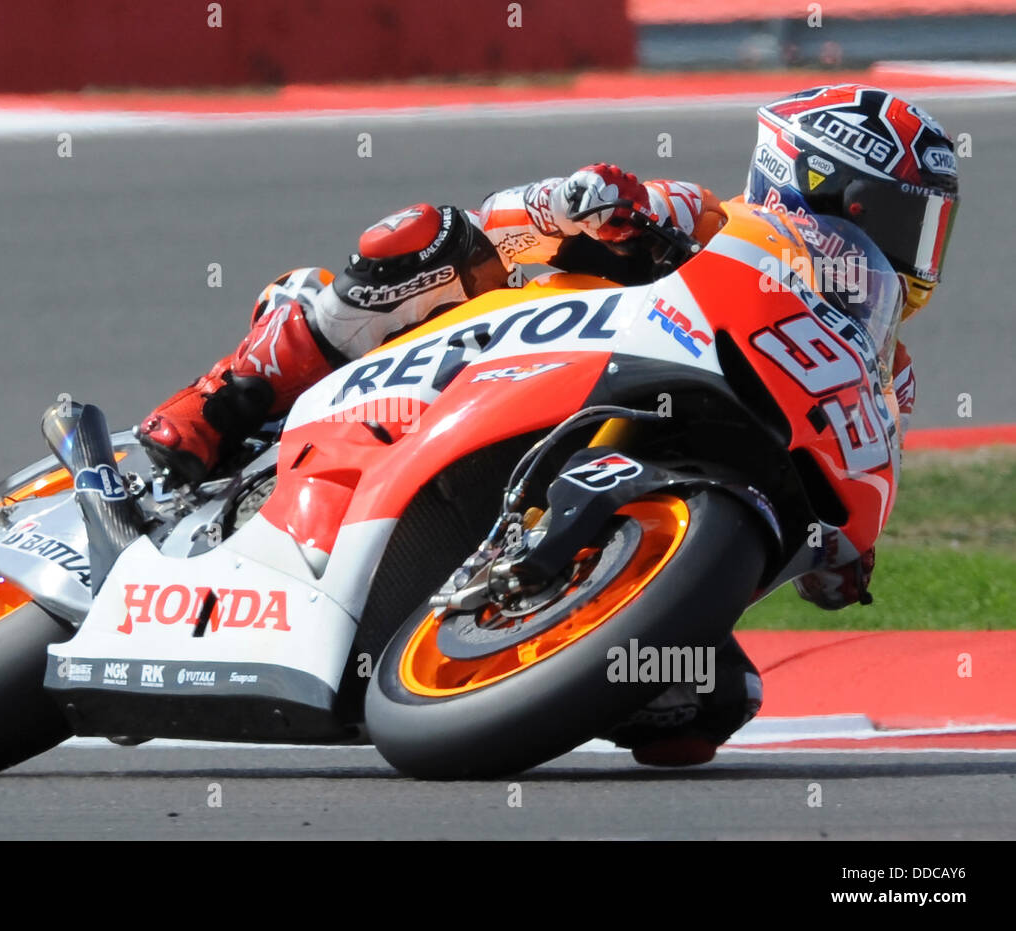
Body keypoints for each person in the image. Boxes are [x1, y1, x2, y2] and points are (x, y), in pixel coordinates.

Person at [136, 84, 960, 764]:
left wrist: (837, 556)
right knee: (428, 238)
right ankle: (212, 406)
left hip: (659, 465)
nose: (912, 246)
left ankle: (510, 661)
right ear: (813, 183)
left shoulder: (888, 369)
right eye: (894, 216)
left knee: (704, 702)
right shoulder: (710, 221)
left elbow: (835, 509)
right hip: (489, 358)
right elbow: (507, 221)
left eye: (927, 227)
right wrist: (581, 203)